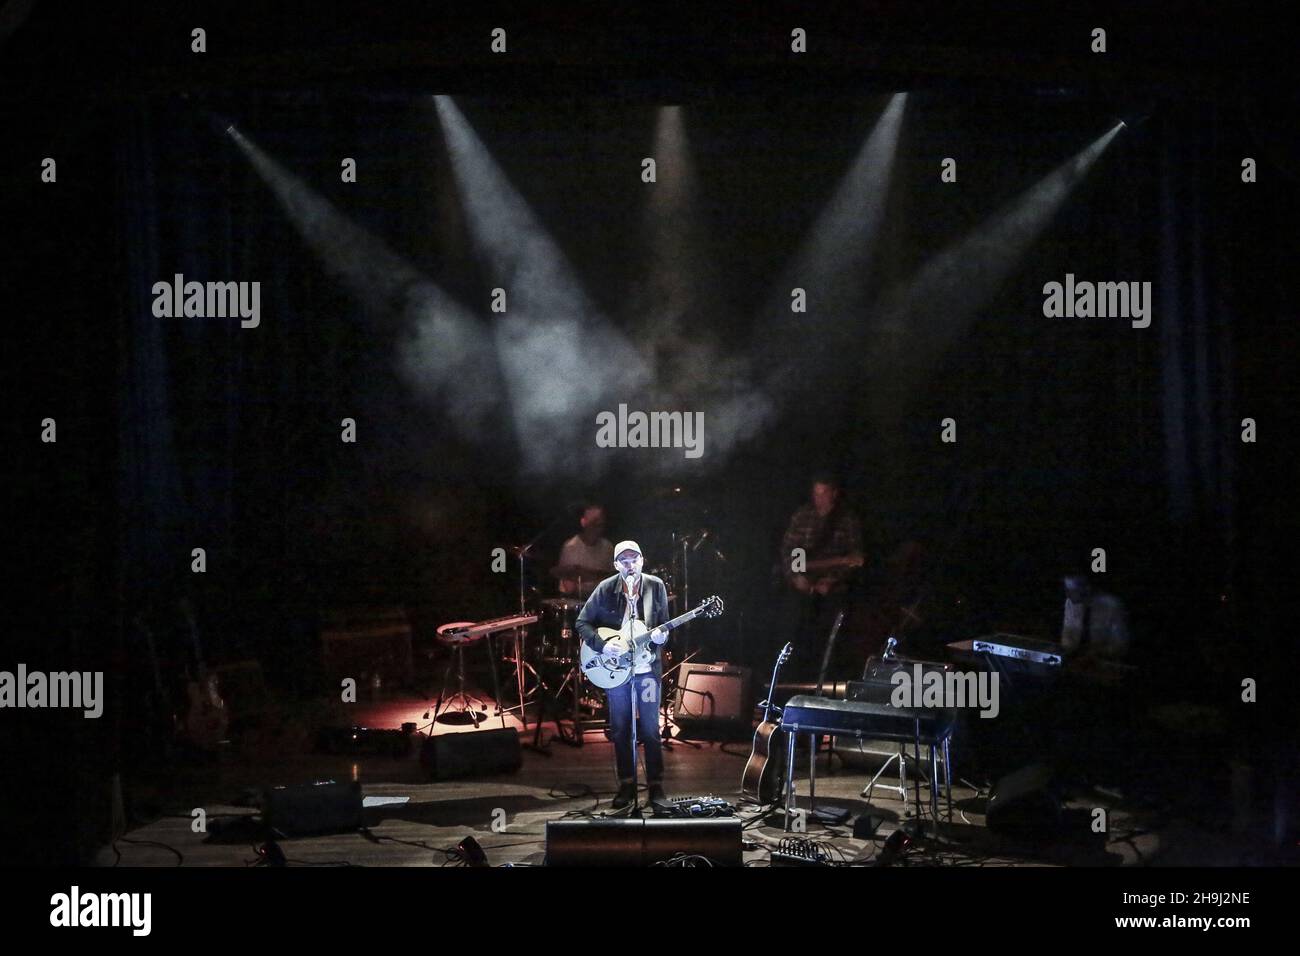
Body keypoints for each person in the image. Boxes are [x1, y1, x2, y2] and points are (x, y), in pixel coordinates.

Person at [576, 540, 671, 811]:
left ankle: (656, 786)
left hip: (647, 670)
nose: (630, 566)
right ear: (616, 565)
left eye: (634, 559)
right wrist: (604, 645)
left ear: (643, 560)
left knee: (651, 730)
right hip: (616, 670)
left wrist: (662, 636)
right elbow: (582, 622)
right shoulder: (605, 588)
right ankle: (627, 785)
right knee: (621, 729)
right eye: (624, 561)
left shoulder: (656, 586)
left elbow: (664, 627)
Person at [777, 474, 864, 677]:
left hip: (832, 592)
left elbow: (855, 561)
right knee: (794, 634)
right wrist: (796, 576)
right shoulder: (802, 516)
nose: (819, 498)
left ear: (834, 493)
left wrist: (833, 580)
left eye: (823, 493)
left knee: (829, 641)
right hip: (801, 588)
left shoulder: (847, 520)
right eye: (816, 493)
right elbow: (789, 551)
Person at [1060, 571, 1131, 660]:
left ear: (1086, 589)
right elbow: (1067, 635)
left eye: (1071, 591)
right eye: (1066, 590)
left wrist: (1096, 653)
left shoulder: (1112, 606)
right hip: (1075, 660)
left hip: (1104, 662)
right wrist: (1064, 649)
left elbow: (1120, 645)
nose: (1067, 594)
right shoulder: (1070, 603)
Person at [551, 504, 614, 597]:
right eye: (594, 522)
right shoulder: (571, 547)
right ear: (583, 522)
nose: (597, 527)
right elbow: (569, 588)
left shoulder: (607, 547)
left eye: (600, 524)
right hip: (576, 600)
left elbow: (612, 579)